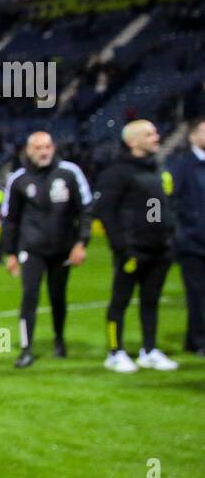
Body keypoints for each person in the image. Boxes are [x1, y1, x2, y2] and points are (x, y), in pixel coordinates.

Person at [0, 132, 92, 368]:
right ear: (29, 151)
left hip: (63, 248)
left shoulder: (70, 172)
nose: (44, 151)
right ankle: (25, 349)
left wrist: (81, 243)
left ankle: (59, 341)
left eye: (48, 146)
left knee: (58, 297)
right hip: (31, 249)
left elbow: (85, 209)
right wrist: (10, 253)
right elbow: (11, 219)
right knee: (29, 297)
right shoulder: (18, 179)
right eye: (39, 147)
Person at [93, 120, 178, 373]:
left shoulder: (156, 169)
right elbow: (106, 213)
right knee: (120, 302)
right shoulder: (116, 173)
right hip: (131, 251)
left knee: (150, 301)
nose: (156, 136)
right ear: (133, 141)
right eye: (149, 134)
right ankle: (115, 352)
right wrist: (122, 247)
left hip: (160, 249)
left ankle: (149, 350)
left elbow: (165, 208)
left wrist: (170, 236)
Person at [168, 116, 205, 356]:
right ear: (192, 135)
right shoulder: (180, 165)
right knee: (197, 295)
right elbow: (162, 202)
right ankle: (199, 340)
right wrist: (175, 234)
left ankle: (194, 340)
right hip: (192, 243)